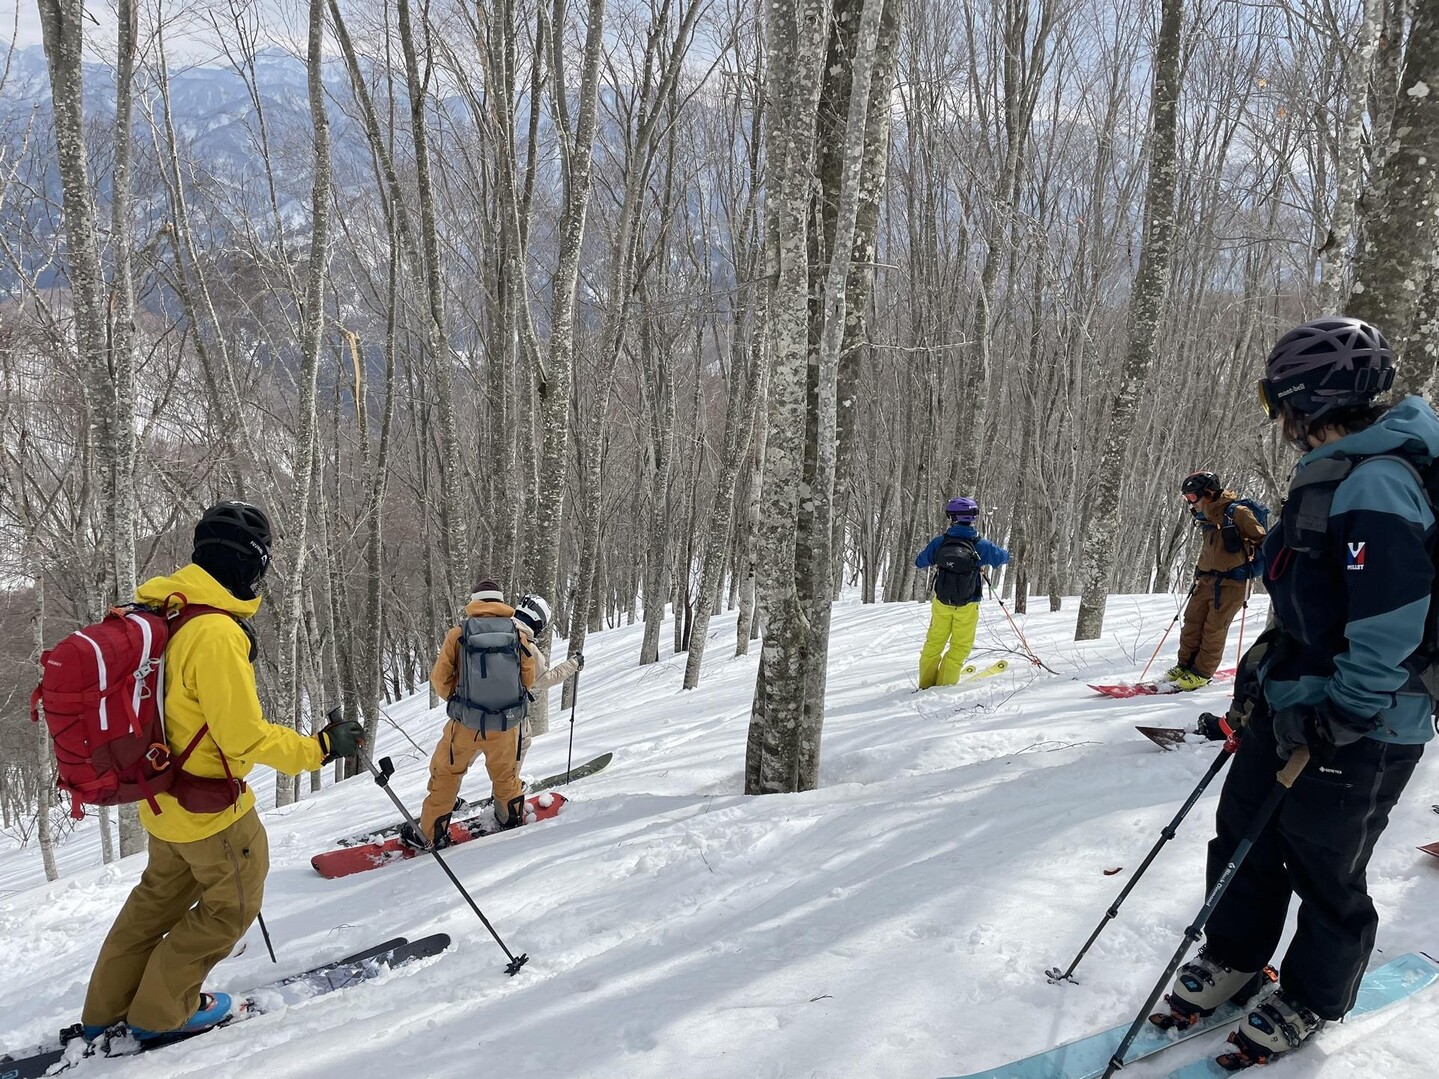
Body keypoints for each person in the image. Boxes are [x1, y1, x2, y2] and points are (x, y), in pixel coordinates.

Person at [1163, 317, 1436, 1066]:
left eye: (1272, 400)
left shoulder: (1378, 481)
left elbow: (1389, 618)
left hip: (1368, 717)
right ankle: (1237, 955)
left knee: (1324, 861)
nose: (1274, 417)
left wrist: (1345, 708)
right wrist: (1266, 669)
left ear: (1306, 400)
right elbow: (1311, 599)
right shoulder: (1336, 468)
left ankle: (1314, 992)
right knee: (1243, 831)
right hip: (1296, 700)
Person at [82, 502, 365, 1044]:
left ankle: (104, 1009)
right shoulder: (214, 632)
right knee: (230, 907)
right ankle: (159, 1014)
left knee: (151, 907)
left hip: (161, 802)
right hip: (211, 811)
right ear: (250, 565)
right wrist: (320, 748)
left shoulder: (159, 611)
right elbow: (243, 737)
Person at [400, 579, 537, 849]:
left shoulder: (459, 633)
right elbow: (528, 677)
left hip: (465, 724)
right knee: (505, 775)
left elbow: (439, 679)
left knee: (446, 774)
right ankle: (509, 817)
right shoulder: (517, 633)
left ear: (475, 601)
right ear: (500, 601)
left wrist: (460, 699)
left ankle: (431, 834)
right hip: (505, 724)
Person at [1166, 471, 1267, 690]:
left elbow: (1263, 540)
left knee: (1214, 629)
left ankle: (1202, 673)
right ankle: (1185, 665)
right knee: (1191, 623)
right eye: (1186, 498)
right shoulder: (1205, 516)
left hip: (1232, 583)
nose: (1190, 502)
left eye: (1192, 496)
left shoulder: (1237, 512)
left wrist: (1249, 555)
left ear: (1208, 492)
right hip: (1205, 580)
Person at [913, 496, 1010, 689]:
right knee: (960, 646)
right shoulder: (981, 544)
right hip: (968, 603)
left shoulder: (940, 542)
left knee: (934, 643)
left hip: (942, 602)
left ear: (952, 517)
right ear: (973, 517)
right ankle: (945, 684)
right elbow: (1003, 558)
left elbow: (920, 562)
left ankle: (925, 684)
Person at [509, 593, 583, 777]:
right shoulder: (527, 647)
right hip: (509, 711)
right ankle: (509, 787)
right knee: (522, 741)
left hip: (472, 707)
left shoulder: (492, 632)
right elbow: (545, 679)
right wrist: (573, 664)